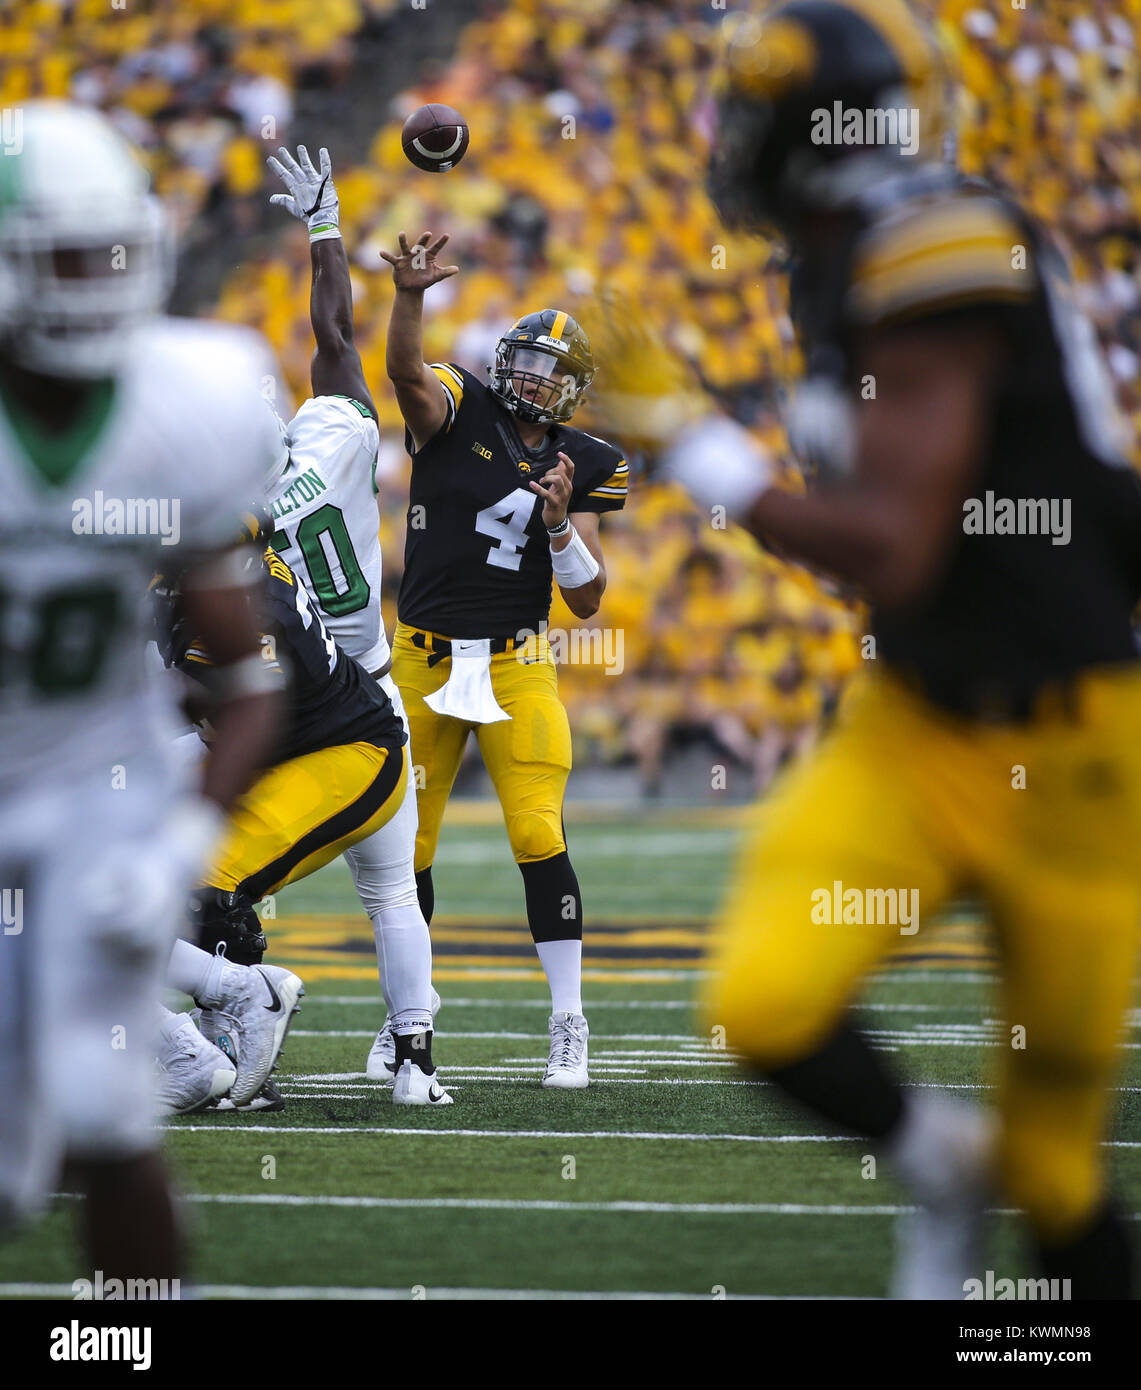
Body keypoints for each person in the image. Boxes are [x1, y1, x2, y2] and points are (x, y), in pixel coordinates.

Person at [671, 0, 1141, 1298]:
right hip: (919, 718)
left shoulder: (936, 239)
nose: (730, 141)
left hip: (1076, 742)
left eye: (748, 117)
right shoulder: (839, 244)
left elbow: (891, 545)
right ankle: (937, 1159)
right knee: (764, 998)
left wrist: (686, 445)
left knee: (1055, 1172)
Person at [0, 101, 283, 1284]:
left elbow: (251, 676)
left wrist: (175, 845)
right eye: (66, 259)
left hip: (91, 782)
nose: (95, 286)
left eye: (111, 252)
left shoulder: (185, 398)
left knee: (104, 1101)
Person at [382, 232, 628, 1087]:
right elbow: (406, 376)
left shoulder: (589, 460)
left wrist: (560, 523)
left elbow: (589, 599)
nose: (532, 379)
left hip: (516, 660)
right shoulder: (459, 404)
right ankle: (406, 1014)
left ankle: (568, 1022)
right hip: (421, 655)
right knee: (402, 846)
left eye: (551, 371)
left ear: (574, 390)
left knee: (536, 833)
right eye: (525, 361)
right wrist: (409, 297)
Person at [263, 145, 448, 1103]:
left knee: (225, 881)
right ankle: (415, 1057)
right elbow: (334, 333)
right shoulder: (333, 437)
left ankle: (232, 1024)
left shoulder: (229, 514)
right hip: (373, 693)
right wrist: (325, 227)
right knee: (387, 890)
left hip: (287, 714)